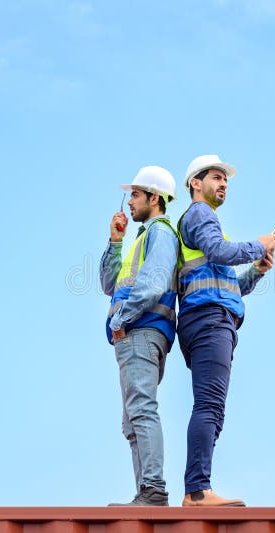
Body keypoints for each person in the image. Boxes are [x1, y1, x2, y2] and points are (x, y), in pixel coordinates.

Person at [176, 154, 275, 507]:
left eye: (226, 180)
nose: (223, 184)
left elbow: (229, 286)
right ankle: (197, 491)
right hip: (208, 320)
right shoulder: (200, 214)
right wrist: (258, 245)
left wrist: (257, 271)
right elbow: (219, 251)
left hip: (209, 318)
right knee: (209, 406)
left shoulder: (204, 222)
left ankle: (198, 488)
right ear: (195, 183)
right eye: (216, 177)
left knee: (213, 408)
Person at [99, 165, 179, 506]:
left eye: (135, 194)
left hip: (141, 331)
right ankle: (146, 493)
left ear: (154, 198)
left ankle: (153, 490)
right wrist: (115, 241)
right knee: (132, 420)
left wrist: (121, 319)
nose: (129, 202)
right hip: (135, 333)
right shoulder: (141, 238)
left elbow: (154, 283)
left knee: (141, 410)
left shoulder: (160, 233)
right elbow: (109, 284)